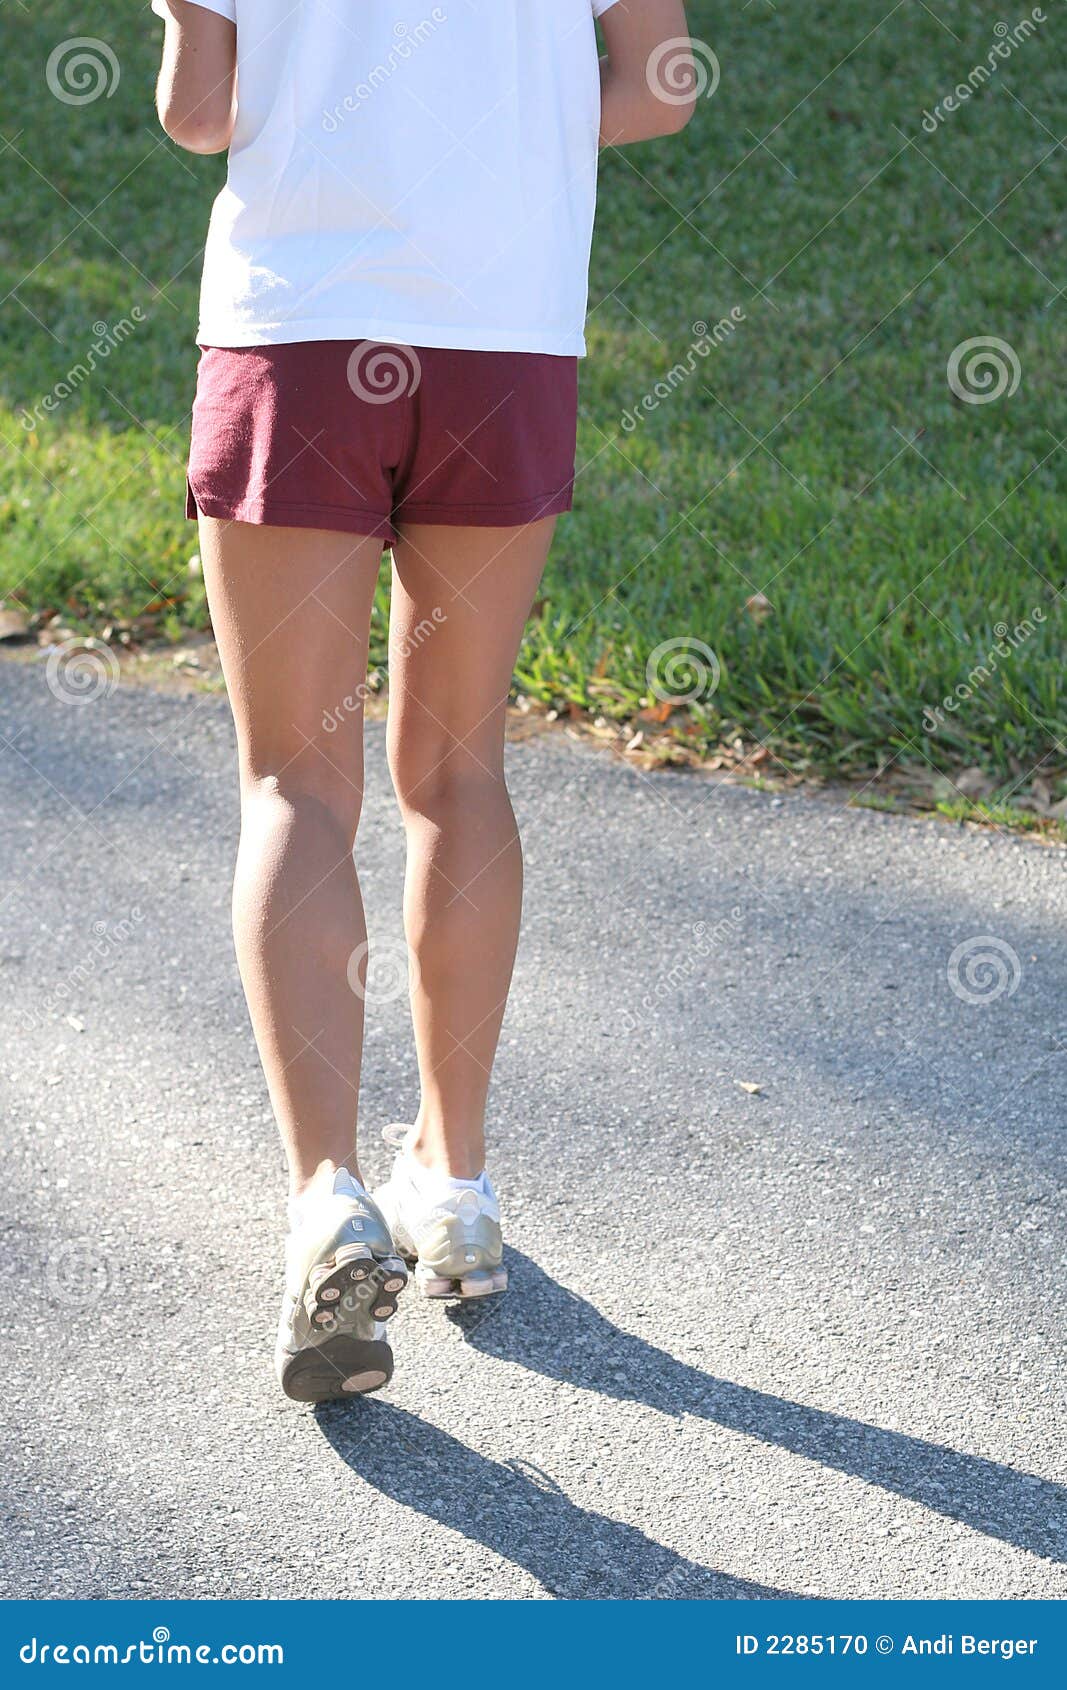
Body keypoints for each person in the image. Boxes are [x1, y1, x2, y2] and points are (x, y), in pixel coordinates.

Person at [152, 0, 694, 1402]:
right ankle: (451, 1181)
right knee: (457, 769)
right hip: (502, 336)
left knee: (295, 783)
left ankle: (329, 1193)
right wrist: (493, 135)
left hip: (298, 336)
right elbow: (663, 87)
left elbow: (198, 115)